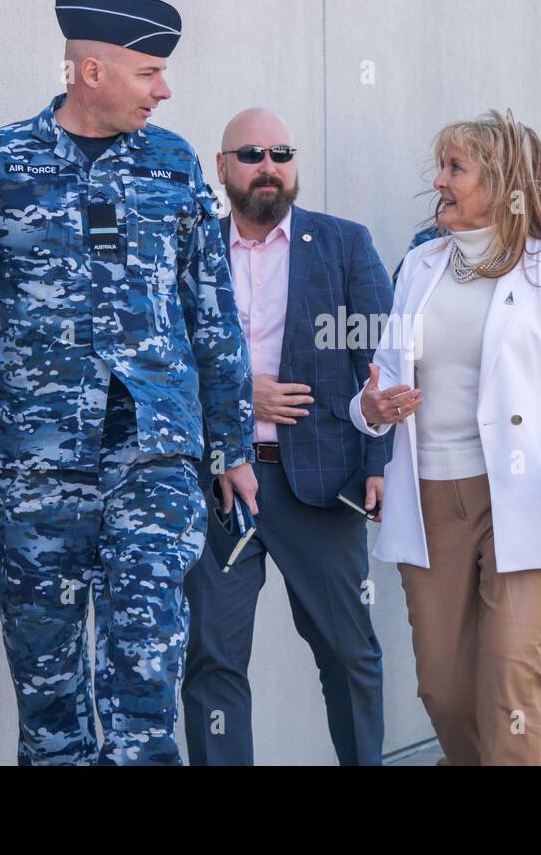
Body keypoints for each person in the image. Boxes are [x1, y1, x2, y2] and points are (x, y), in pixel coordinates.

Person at [0, 0, 255, 765]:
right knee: (49, 712)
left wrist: (232, 445)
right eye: (149, 73)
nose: (164, 90)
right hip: (40, 471)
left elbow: (214, 312)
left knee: (144, 702)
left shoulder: (173, 166)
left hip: (155, 460)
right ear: (92, 71)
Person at [350, 109, 541, 765]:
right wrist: (370, 406)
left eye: (455, 169)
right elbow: (382, 385)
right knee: (443, 689)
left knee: (510, 685)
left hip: (528, 495)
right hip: (429, 497)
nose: (439, 182)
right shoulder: (419, 266)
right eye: (442, 166)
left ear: (503, 183)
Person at [182, 108, 394, 765]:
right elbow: (159, 363)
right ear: (223, 170)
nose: (268, 165)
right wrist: (242, 394)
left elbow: (383, 364)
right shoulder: (190, 251)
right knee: (213, 662)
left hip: (322, 486)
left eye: (281, 152)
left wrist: (379, 464)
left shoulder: (343, 245)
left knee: (348, 654)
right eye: (250, 154)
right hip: (222, 486)